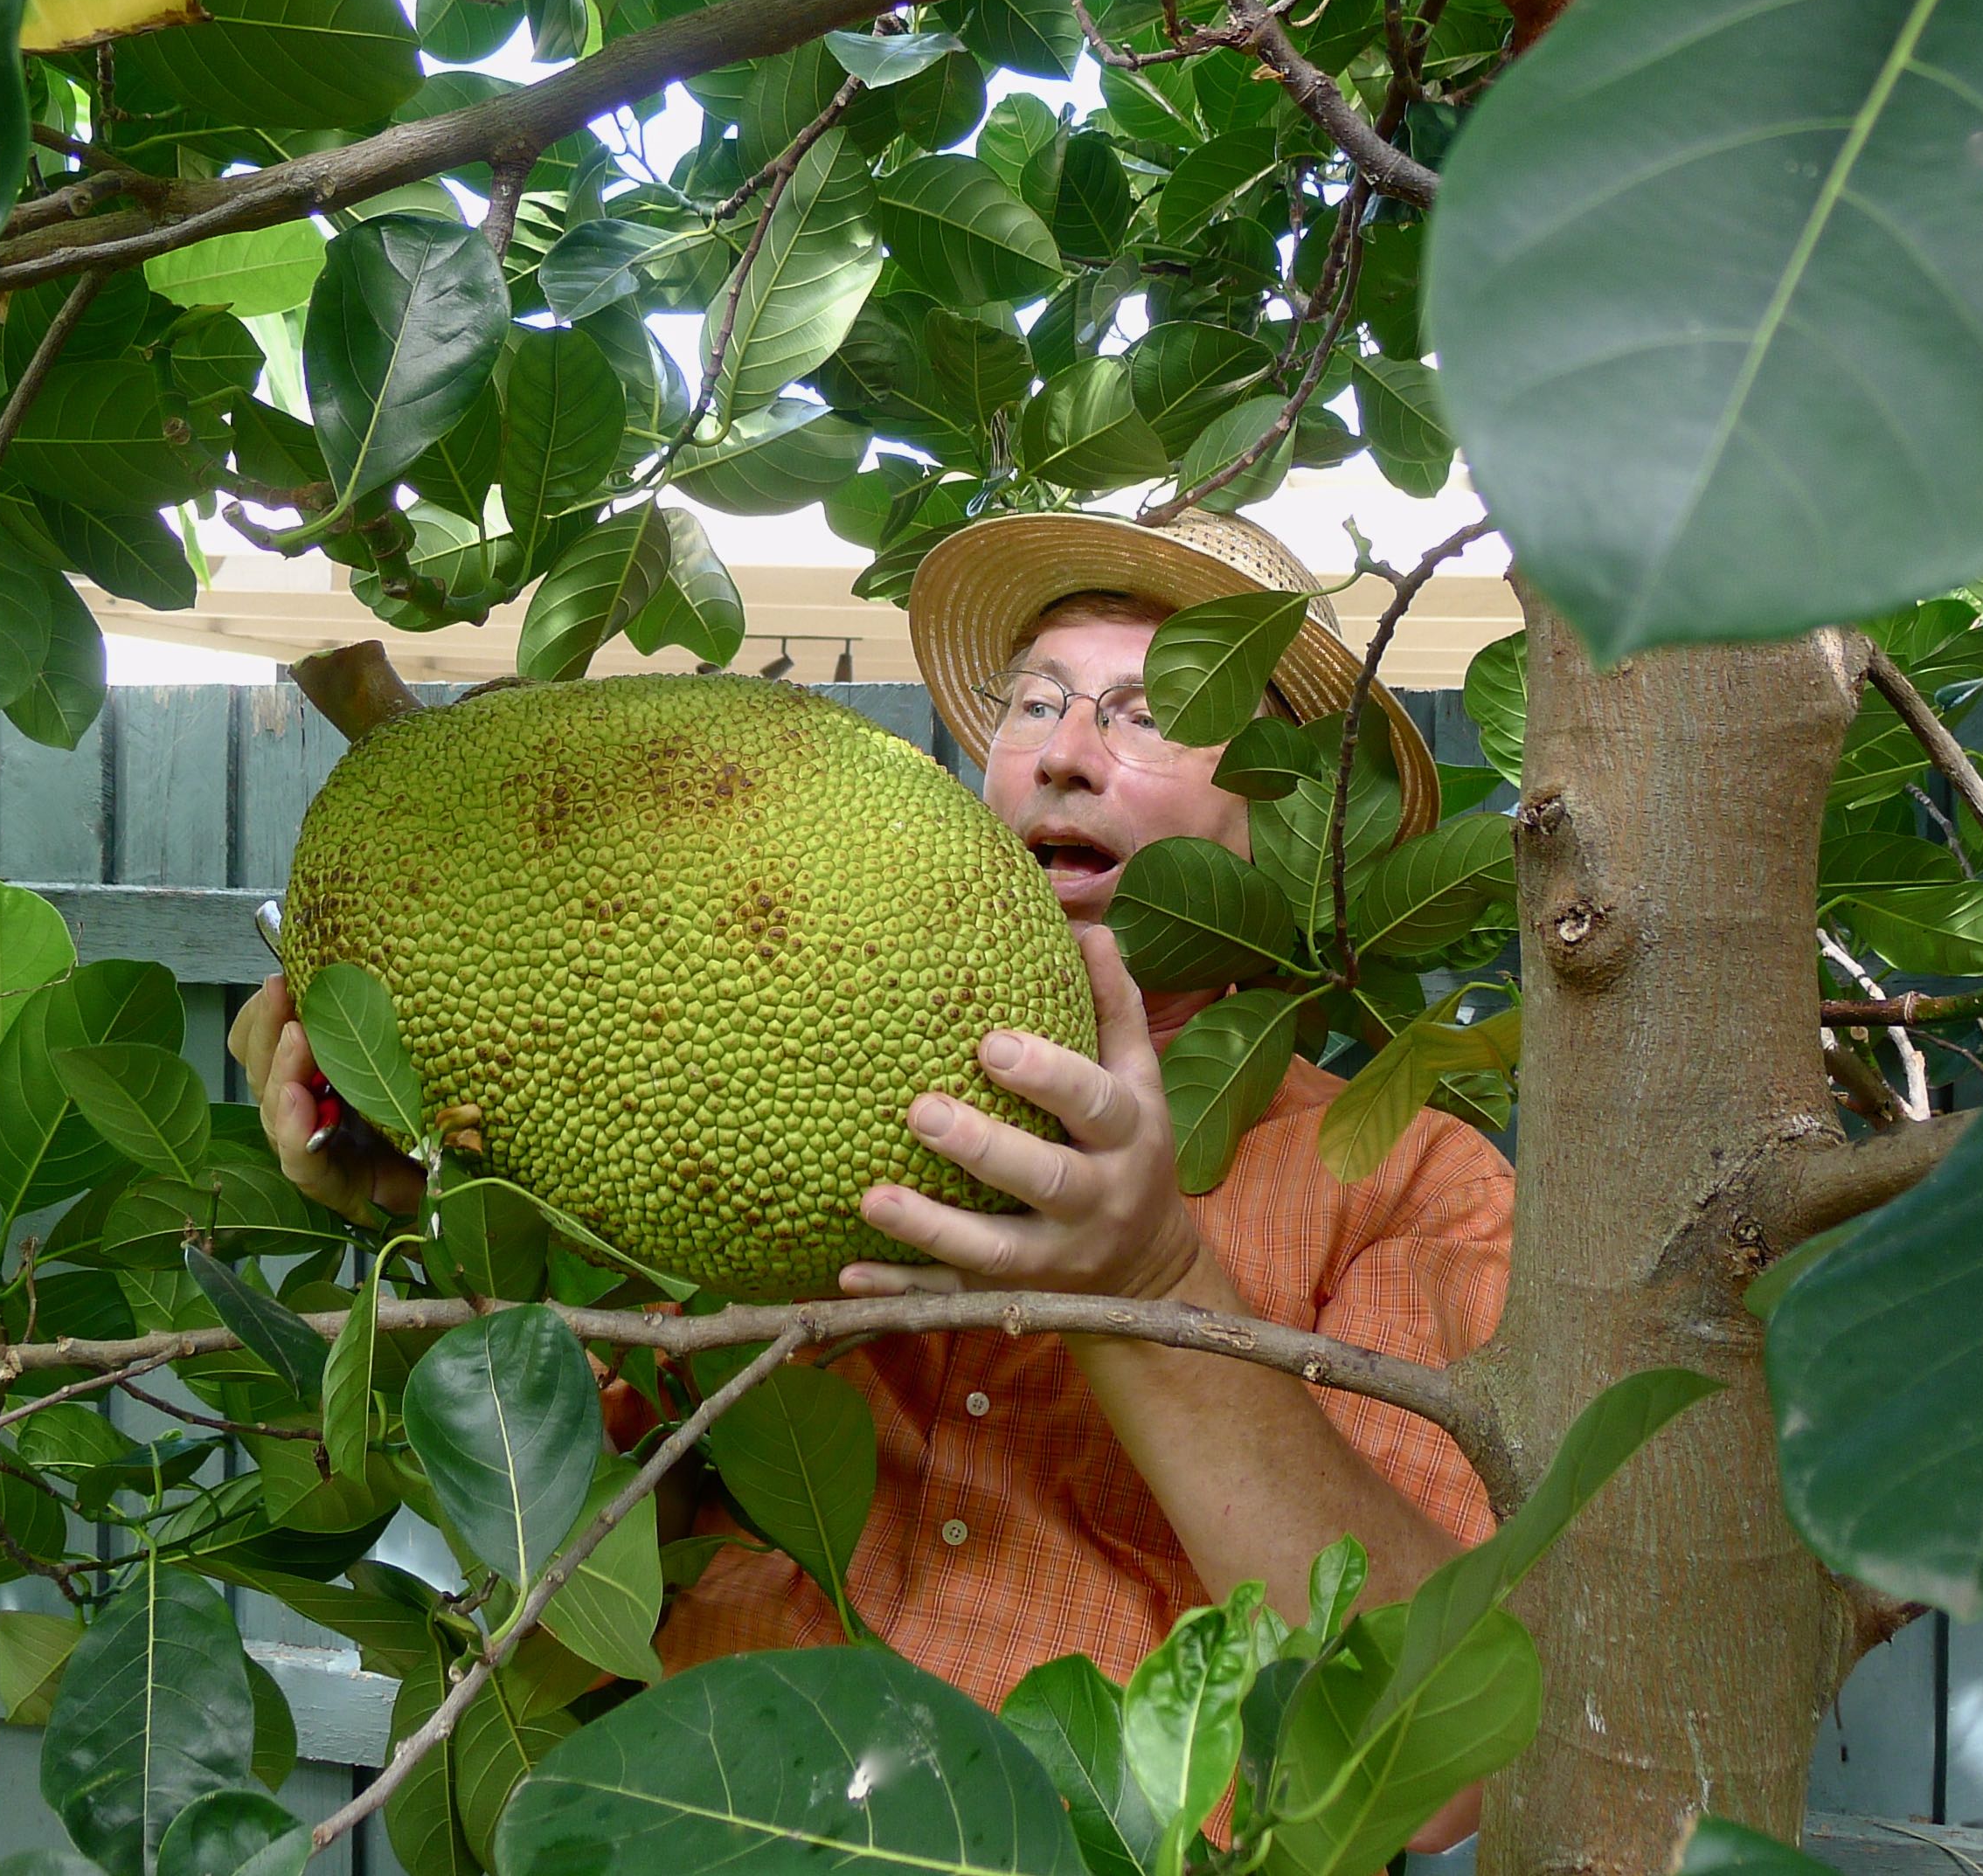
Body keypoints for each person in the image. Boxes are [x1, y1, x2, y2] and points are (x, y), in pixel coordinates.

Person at [227, 509, 1514, 1852]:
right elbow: (605, 1524)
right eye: (1036, 703)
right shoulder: (748, 1065)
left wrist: (1153, 1282)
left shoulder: (1409, 1183)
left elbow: (1426, 1760)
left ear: (1294, 818)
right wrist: (441, 1199)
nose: (1064, 753)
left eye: (1152, 716)